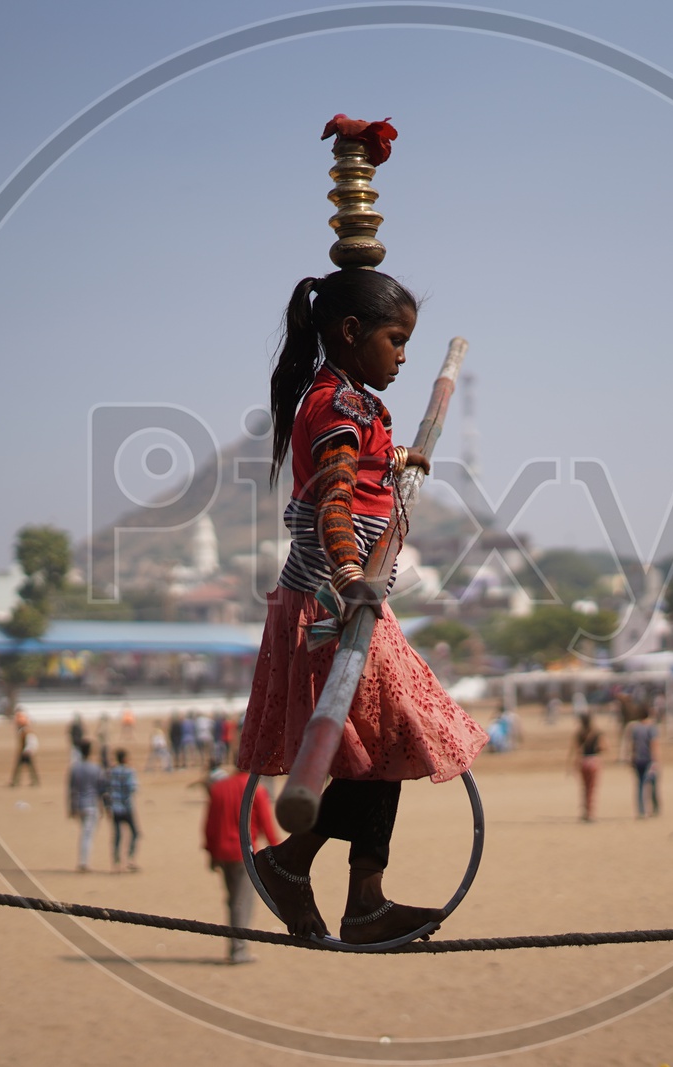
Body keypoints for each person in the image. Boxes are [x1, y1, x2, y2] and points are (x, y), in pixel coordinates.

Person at [235, 128, 487, 947]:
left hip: (343, 600)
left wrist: (402, 454)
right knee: (401, 735)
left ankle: (356, 893)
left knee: (386, 745)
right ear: (349, 333)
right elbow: (336, 497)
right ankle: (299, 863)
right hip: (332, 602)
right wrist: (351, 577)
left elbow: (364, 471)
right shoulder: (338, 407)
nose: (405, 357)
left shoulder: (351, 404)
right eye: (395, 340)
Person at [203, 764, 281, 964]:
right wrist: (279, 852)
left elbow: (209, 825)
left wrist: (211, 854)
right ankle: (238, 950)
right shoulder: (255, 790)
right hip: (242, 854)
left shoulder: (219, 788)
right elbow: (266, 824)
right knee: (242, 901)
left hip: (222, 852)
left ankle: (236, 944)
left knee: (233, 899)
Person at [67, 740, 103, 872]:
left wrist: (70, 808)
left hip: (79, 804)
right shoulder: (95, 768)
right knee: (87, 834)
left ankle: (83, 861)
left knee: (84, 832)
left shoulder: (75, 768)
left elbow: (71, 790)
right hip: (91, 805)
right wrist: (103, 806)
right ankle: (83, 862)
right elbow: (100, 789)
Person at [103, 748, 140, 872]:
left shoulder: (110, 772)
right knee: (135, 833)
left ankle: (116, 863)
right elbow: (133, 788)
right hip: (127, 806)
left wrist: (107, 806)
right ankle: (130, 858)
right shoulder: (129, 771)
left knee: (117, 836)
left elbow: (106, 791)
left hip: (115, 807)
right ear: (125, 759)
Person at [568, 713, 604, 822]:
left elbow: (575, 751)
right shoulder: (597, 733)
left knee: (584, 788)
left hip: (583, 762)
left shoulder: (579, 734)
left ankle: (585, 812)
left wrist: (572, 765)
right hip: (593, 761)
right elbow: (604, 747)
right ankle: (590, 813)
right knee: (592, 789)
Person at [627, 716, 659, 818]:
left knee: (640, 785)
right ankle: (654, 808)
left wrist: (632, 758)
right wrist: (655, 760)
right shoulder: (652, 728)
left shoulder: (635, 728)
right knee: (652, 783)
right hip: (649, 760)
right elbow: (654, 744)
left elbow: (633, 745)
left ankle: (641, 810)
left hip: (638, 760)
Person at [9, 722, 40, 787]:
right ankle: (34, 781)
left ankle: (16, 782)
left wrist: (27, 751)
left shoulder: (27, 733)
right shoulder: (26, 732)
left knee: (23, 768)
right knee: (28, 768)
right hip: (25, 752)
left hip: (26, 753)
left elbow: (31, 742)